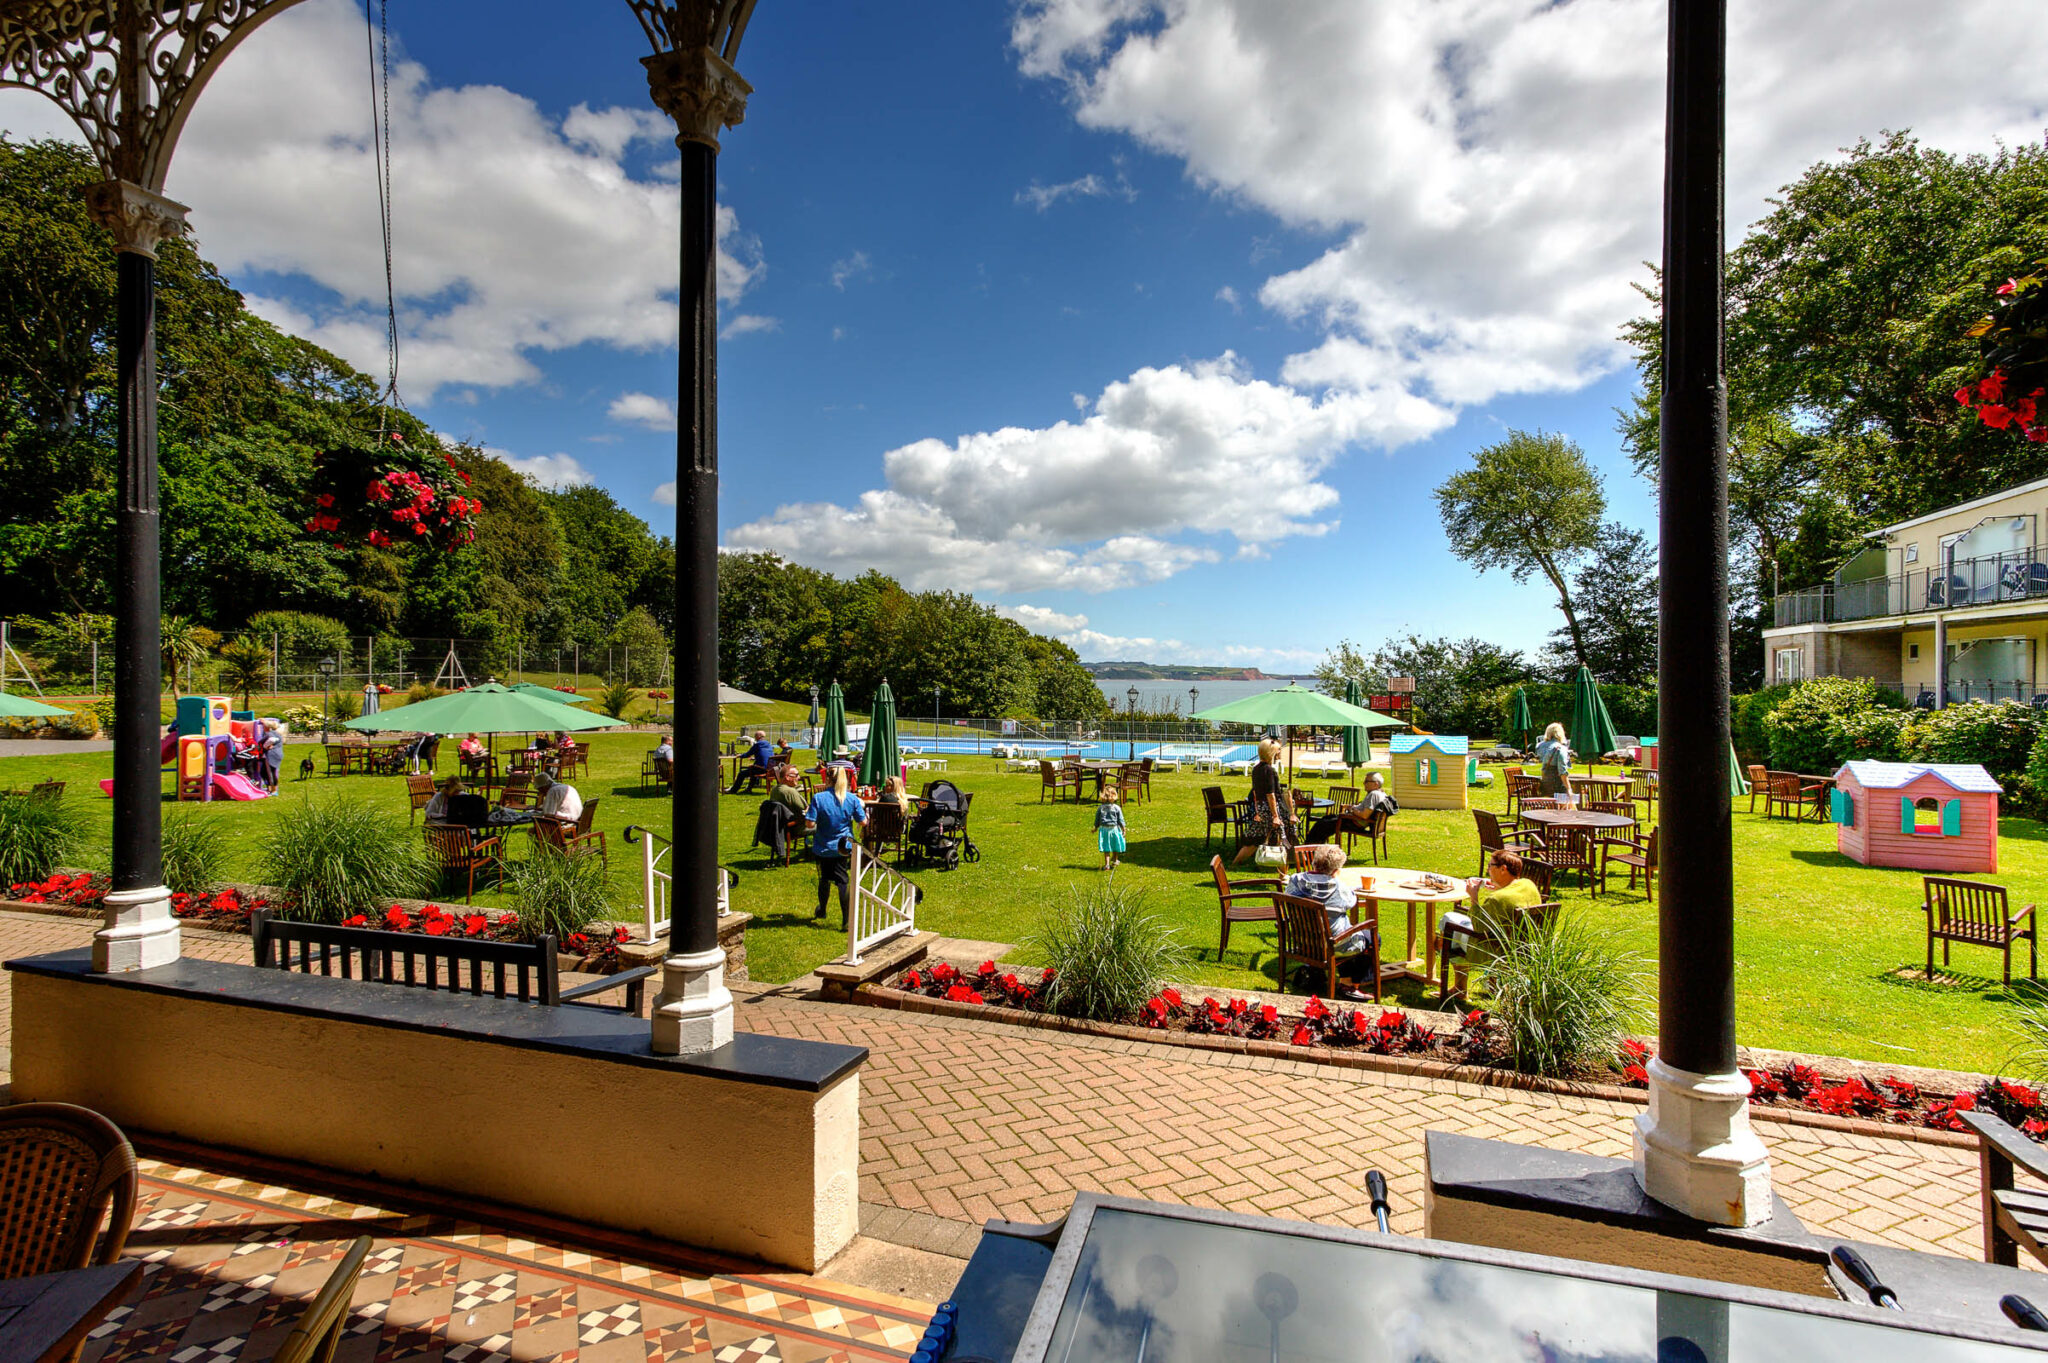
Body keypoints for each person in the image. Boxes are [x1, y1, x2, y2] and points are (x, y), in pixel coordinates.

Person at [1284, 843, 1378, 1000]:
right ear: (1336, 870)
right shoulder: (1339, 888)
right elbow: (1351, 901)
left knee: (1345, 931)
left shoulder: (1295, 881)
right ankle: (1349, 985)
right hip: (1330, 944)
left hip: (1303, 942)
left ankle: (1318, 972)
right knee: (1370, 937)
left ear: (1314, 862)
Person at [1441, 850, 1547, 974]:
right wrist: (1500, 887)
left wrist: (1474, 898)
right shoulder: (1529, 884)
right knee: (1454, 927)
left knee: (1448, 921)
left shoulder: (1497, 899)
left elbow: (1479, 927)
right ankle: (1462, 987)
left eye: (1490, 866)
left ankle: (1459, 988)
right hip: (1525, 948)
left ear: (1503, 869)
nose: (1487, 870)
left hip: (1496, 952)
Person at [805, 765, 867, 924]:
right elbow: (863, 821)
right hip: (843, 847)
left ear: (827, 779)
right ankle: (846, 920)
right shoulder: (851, 798)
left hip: (823, 846)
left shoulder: (819, 798)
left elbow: (810, 824)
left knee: (824, 878)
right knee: (842, 881)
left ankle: (823, 910)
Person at [1233, 737, 1293, 865]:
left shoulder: (1256, 769)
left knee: (1257, 840)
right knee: (1283, 838)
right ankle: (1283, 871)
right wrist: (1276, 816)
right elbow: (1270, 795)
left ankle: (1235, 863)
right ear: (1270, 753)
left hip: (1261, 808)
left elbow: (1255, 792)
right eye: (1277, 751)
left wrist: (1257, 811)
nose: (1278, 753)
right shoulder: (1269, 771)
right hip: (1270, 809)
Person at [1306, 772, 1397, 845]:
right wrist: (1353, 807)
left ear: (1375, 784)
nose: (1364, 783)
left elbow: (1364, 815)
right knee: (1326, 819)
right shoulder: (1381, 793)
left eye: (1366, 781)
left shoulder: (1374, 794)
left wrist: (1352, 810)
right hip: (1354, 820)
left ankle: (1309, 851)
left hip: (1355, 823)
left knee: (1321, 825)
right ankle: (1316, 848)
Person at [753, 764, 810, 862]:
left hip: (779, 827)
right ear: (787, 777)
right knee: (825, 823)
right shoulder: (790, 792)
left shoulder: (775, 789)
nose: (799, 777)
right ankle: (824, 852)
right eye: (796, 775)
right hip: (795, 827)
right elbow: (806, 809)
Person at [728, 728, 776, 793]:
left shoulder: (757, 744)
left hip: (761, 769)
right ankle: (748, 789)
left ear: (759, 736)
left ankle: (733, 790)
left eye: (755, 736)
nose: (755, 737)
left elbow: (748, 754)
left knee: (742, 774)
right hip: (770, 769)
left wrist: (740, 755)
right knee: (752, 769)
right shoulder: (768, 744)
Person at [1534, 722, 1573, 799]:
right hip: (1557, 785)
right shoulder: (1560, 748)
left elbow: (1543, 761)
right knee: (1572, 800)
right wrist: (1569, 789)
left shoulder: (1540, 746)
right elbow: (1562, 771)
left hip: (1545, 784)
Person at [1094, 783, 1128, 870]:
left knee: (1106, 846)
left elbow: (1097, 819)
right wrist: (1124, 828)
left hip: (1104, 830)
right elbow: (1120, 819)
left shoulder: (1100, 808)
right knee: (1115, 845)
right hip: (1114, 829)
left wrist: (1095, 827)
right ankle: (1115, 860)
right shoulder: (1116, 808)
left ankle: (1107, 864)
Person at [259, 718, 285, 790]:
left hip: (272, 755)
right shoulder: (274, 733)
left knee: (269, 772)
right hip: (276, 754)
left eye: (264, 726)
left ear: (268, 727)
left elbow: (272, 739)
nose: (263, 727)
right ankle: (271, 788)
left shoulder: (271, 733)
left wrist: (265, 746)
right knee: (265, 772)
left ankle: (273, 790)